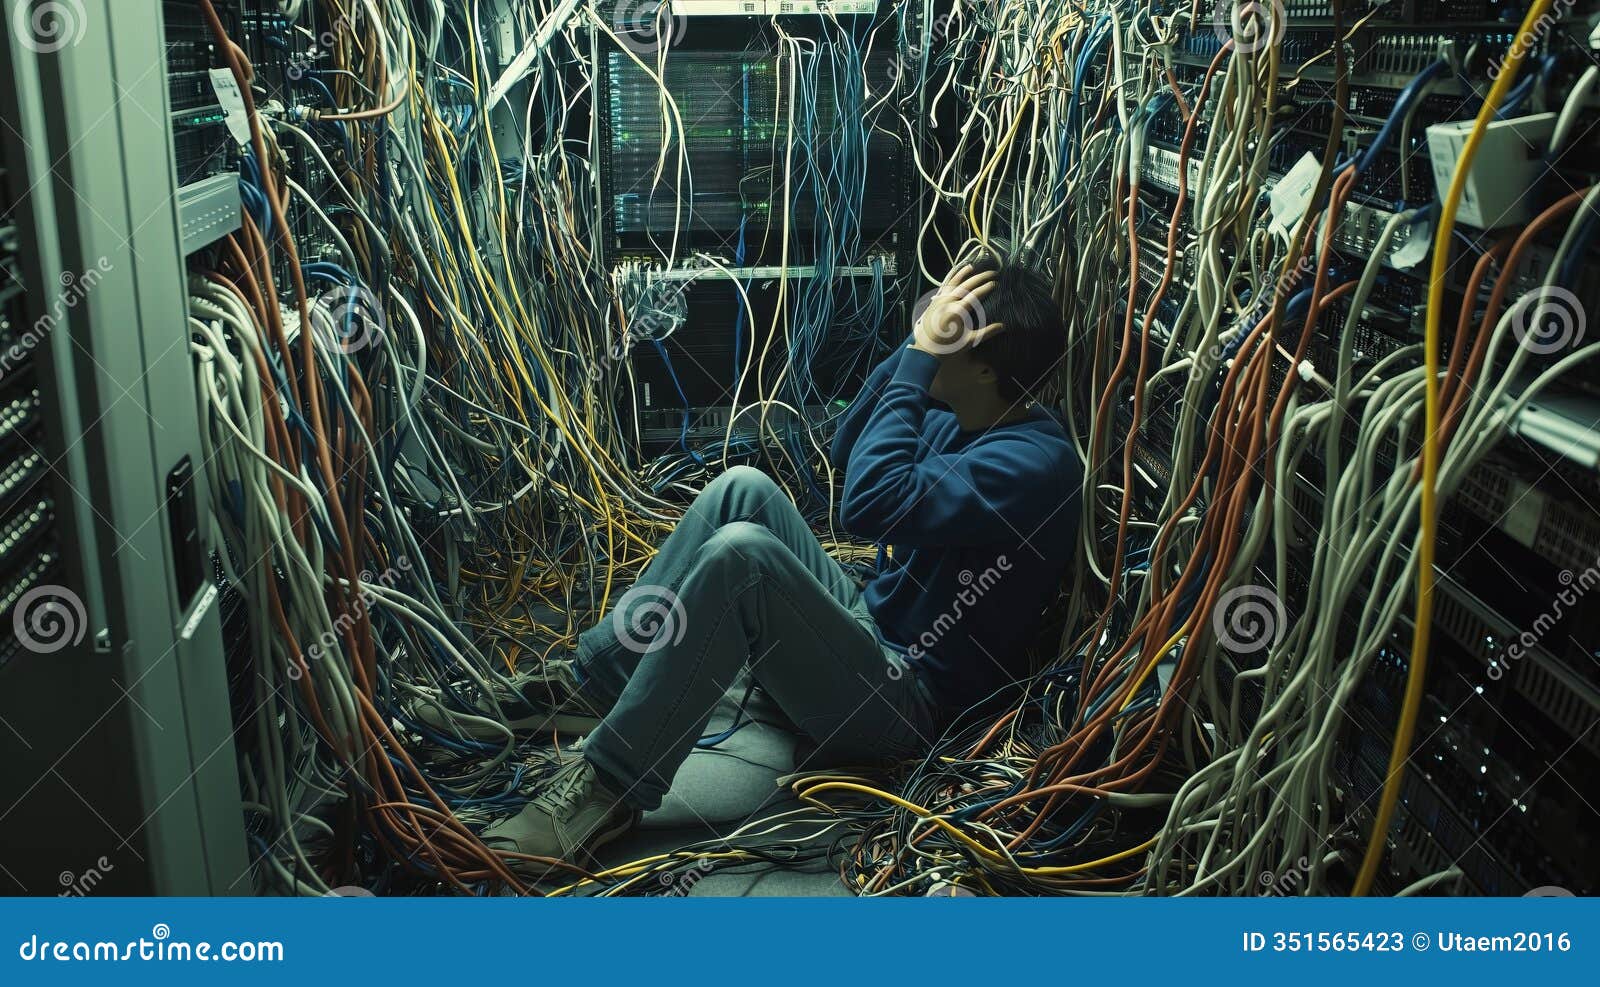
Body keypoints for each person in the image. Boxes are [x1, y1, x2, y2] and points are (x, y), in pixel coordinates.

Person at [480, 258, 1082, 867]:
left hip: (908, 701)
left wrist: (920, 360)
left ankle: (609, 787)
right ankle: (593, 684)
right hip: (871, 627)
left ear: (985, 362)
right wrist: (915, 349)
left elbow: (868, 502)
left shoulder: (1032, 465)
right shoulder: (968, 414)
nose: (926, 329)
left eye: (944, 329)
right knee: (741, 489)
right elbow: (850, 443)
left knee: (745, 556)